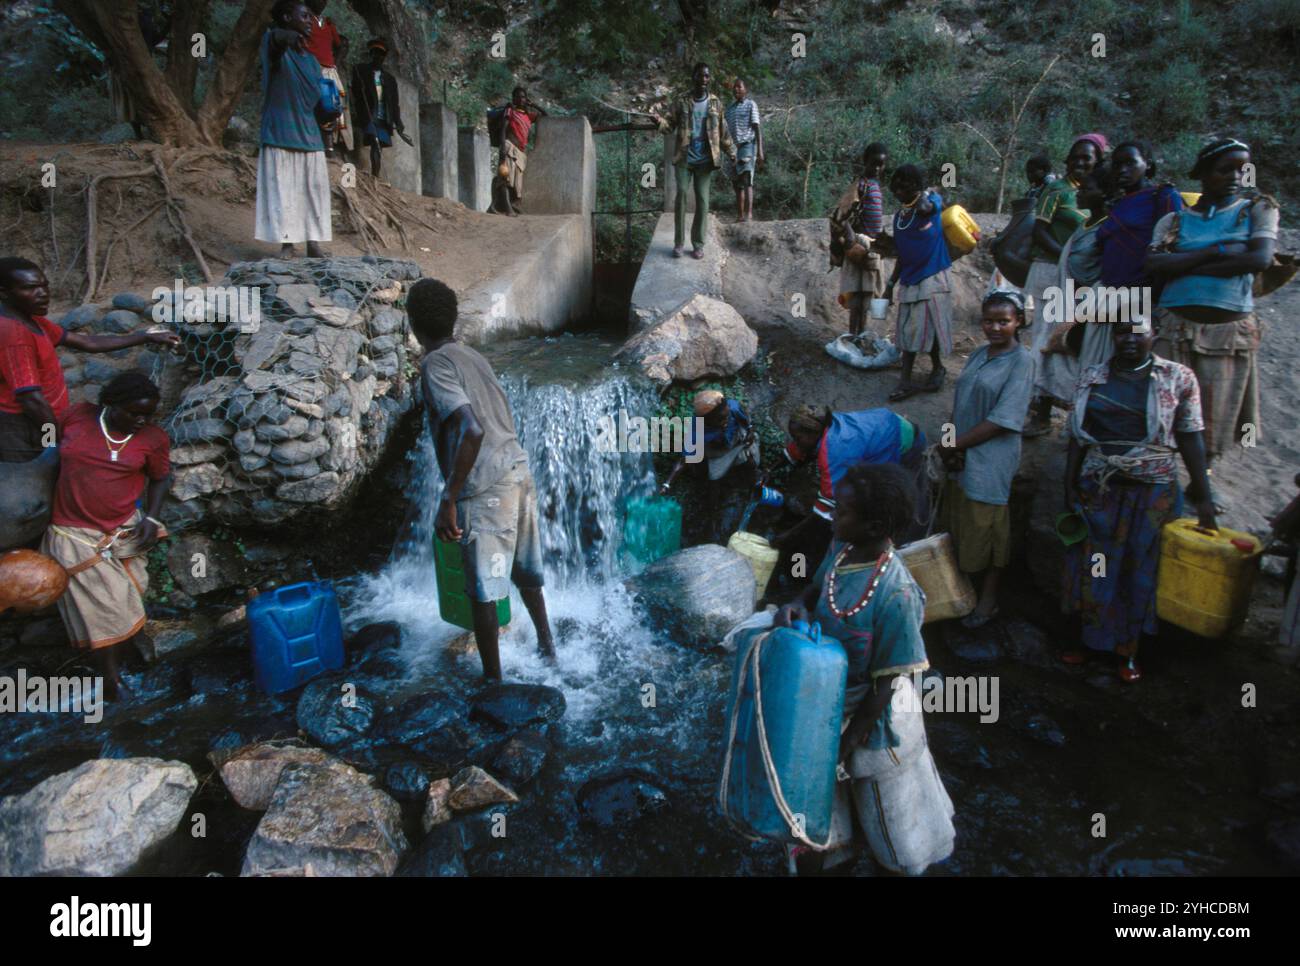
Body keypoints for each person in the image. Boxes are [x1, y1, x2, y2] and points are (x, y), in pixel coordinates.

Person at [775, 462, 955, 876]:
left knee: (888, 824)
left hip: (870, 715)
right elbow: (816, 588)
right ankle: (829, 854)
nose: (834, 515)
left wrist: (845, 746)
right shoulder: (843, 549)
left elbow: (889, 682)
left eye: (842, 511)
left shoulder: (897, 594)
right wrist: (797, 604)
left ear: (874, 527)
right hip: (823, 699)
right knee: (817, 825)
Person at [409, 277, 555, 680]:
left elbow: (471, 429)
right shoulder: (474, 357)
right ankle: (548, 650)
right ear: (453, 319)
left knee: (483, 590)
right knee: (526, 574)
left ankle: (493, 683)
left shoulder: (436, 363)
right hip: (518, 473)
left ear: (413, 325)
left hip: (486, 486)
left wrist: (449, 498)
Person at [1062, 320, 1216, 682]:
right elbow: (1076, 438)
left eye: (1137, 332)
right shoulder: (1093, 375)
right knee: (1094, 563)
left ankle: (1127, 652)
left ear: (1154, 335)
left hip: (1152, 493)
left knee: (1138, 570)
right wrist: (1068, 484)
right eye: (1121, 332)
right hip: (1099, 490)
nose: (1128, 340)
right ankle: (1087, 641)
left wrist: (1205, 498)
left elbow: (1191, 436)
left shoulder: (1178, 377)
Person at [1146, 138, 1279, 468]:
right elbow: (1153, 265)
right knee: (1168, 403)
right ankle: (1166, 468)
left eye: (1242, 168)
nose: (1236, 176)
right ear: (1203, 173)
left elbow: (1260, 259)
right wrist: (1217, 252)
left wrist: (1184, 262)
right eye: (1225, 169)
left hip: (1226, 332)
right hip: (1175, 327)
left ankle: (1201, 477)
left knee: (1217, 408)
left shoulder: (1257, 209)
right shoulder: (1175, 221)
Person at [40, 371, 172, 700]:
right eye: (133, 412)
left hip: (123, 528)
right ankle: (111, 681)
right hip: (74, 533)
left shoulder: (153, 439)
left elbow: (160, 479)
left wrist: (152, 519)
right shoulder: (76, 417)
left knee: (129, 593)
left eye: (147, 414)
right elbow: (47, 441)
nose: (141, 420)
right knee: (105, 606)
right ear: (110, 404)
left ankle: (121, 660)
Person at [0, 257, 179, 462]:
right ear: (4, 292)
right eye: (30, 288)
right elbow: (30, 399)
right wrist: (53, 438)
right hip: (24, 427)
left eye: (44, 286)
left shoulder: (32, 321)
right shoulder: (13, 335)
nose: (43, 294)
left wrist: (144, 336)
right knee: (31, 483)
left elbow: (87, 343)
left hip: (40, 423)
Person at [938, 291, 1035, 628]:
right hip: (962, 452)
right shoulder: (979, 354)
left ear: (1018, 321)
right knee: (960, 521)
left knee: (989, 528)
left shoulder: (1023, 362)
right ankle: (957, 592)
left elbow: (1002, 419)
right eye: (989, 320)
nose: (995, 327)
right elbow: (959, 402)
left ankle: (988, 600)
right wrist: (948, 444)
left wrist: (955, 446)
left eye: (1003, 321)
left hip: (991, 458)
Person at [775, 404, 929, 591]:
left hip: (905, 445)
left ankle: (901, 548)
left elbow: (822, 512)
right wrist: (772, 470)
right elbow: (800, 447)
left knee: (891, 503)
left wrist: (789, 537)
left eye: (798, 439)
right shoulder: (826, 425)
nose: (796, 443)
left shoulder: (834, 451)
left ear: (814, 433)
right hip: (886, 426)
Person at [1023, 133, 1108, 435]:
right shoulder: (1057, 190)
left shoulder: (1102, 207)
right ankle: (1040, 408)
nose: (1081, 163)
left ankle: (1063, 408)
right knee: (1047, 341)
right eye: (1075, 157)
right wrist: (1068, 258)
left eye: (1087, 158)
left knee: (1069, 346)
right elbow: (1039, 230)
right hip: (1051, 274)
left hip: (1081, 289)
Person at [1079, 140, 1184, 370]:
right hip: (1109, 298)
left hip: (1140, 300)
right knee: (1098, 369)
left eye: (1130, 163)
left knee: (1132, 368)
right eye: (1117, 165)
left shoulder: (1163, 197)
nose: (1122, 170)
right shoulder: (1119, 204)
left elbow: (1171, 248)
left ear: (1148, 165)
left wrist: (1151, 304)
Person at [256, 0, 332, 258]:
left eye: (311, 17)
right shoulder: (273, 46)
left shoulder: (311, 62)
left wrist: (331, 110)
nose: (311, 20)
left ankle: (313, 243)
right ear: (287, 18)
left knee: (313, 191)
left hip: (310, 135)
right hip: (280, 131)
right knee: (284, 190)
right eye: (304, 16)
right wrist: (288, 36)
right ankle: (288, 244)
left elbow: (317, 102)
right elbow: (277, 40)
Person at [652, 62, 736, 259]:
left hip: (705, 160)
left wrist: (731, 151)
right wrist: (658, 122)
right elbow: (669, 126)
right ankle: (679, 243)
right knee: (681, 193)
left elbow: (722, 131)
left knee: (703, 200)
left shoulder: (715, 103)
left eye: (707, 76)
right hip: (684, 158)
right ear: (694, 78)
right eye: (701, 76)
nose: (704, 80)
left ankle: (698, 244)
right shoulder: (681, 101)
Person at [883, 164, 953, 400]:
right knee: (912, 328)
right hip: (910, 277)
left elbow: (925, 207)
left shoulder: (931, 203)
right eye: (897, 188)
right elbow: (902, 254)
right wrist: (890, 285)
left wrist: (923, 192)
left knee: (919, 327)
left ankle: (906, 380)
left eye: (905, 187)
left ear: (916, 186)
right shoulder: (899, 218)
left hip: (932, 275)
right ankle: (936, 368)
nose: (899, 192)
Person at [659, 389, 760, 543]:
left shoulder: (732, 407)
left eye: (726, 417)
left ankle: (755, 485)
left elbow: (745, 418)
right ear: (706, 419)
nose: (725, 421)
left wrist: (750, 430)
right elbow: (684, 459)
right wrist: (667, 484)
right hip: (718, 450)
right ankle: (713, 514)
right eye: (719, 420)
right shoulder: (697, 429)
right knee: (714, 479)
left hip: (736, 439)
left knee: (752, 461)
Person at [834, 142, 888, 339]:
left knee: (868, 294)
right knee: (856, 294)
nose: (876, 168)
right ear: (864, 162)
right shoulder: (860, 185)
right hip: (859, 245)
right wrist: (849, 238)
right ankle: (852, 333)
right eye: (873, 163)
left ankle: (862, 334)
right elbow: (840, 215)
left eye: (881, 165)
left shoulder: (875, 186)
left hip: (872, 246)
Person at [350, 39, 411, 180]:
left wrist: (398, 122)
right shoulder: (361, 71)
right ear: (371, 54)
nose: (378, 57)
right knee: (375, 141)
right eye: (375, 53)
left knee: (378, 147)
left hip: (384, 118)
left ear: (384, 57)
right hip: (369, 114)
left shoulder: (390, 79)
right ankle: (375, 177)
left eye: (381, 54)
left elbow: (394, 103)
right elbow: (356, 93)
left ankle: (375, 177)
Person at [304, 0, 351, 157]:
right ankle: (311, 142)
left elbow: (340, 44)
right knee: (311, 104)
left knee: (333, 106)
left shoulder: (328, 23)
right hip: (310, 67)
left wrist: (335, 63)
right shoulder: (304, 18)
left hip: (328, 70)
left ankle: (330, 145)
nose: (321, 2)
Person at [497, 86, 545, 208]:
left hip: (520, 152)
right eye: (517, 96)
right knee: (505, 178)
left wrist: (533, 104)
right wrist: (502, 146)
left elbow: (545, 115)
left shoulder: (528, 116)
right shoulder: (510, 111)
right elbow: (503, 128)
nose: (520, 99)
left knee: (516, 184)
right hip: (509, 147)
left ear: (526, 99)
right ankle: (508, 208)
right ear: (513, 99)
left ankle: (507, 206)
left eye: (523, 97)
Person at [723, 79, 763, 223]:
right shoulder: (729, 110)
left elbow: (757, 128)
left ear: (745, 89)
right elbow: (725, 132)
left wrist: (760, 151)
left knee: (747, 178)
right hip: (733, 148)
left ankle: (749, 215)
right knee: (736, 183)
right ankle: (739, 216)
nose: (736, 90)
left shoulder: (751, 105)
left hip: (747, 146)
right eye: (734, 88)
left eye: (739, 87)